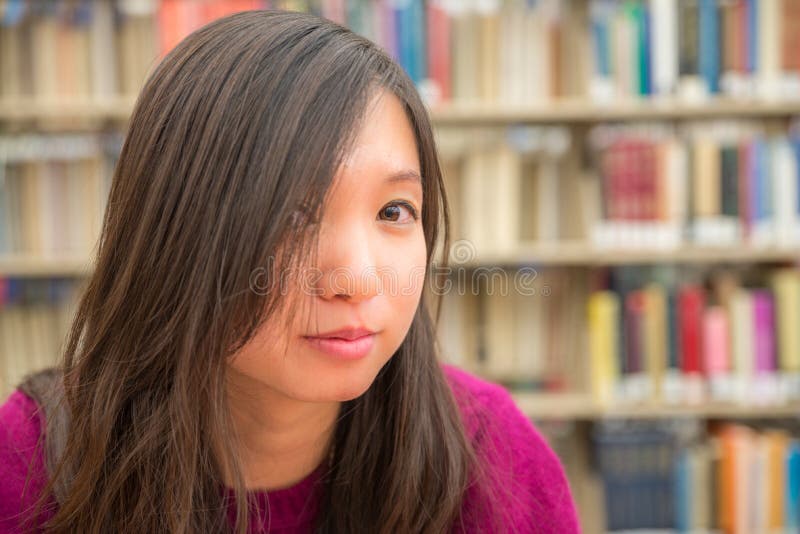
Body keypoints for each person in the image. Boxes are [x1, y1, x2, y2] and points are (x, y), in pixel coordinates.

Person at [0, 10, 579, 534]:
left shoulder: (493, 459)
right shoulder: (33, 464)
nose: (357, 278)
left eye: (393, 211)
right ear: (175, 228)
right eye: (290, 215)